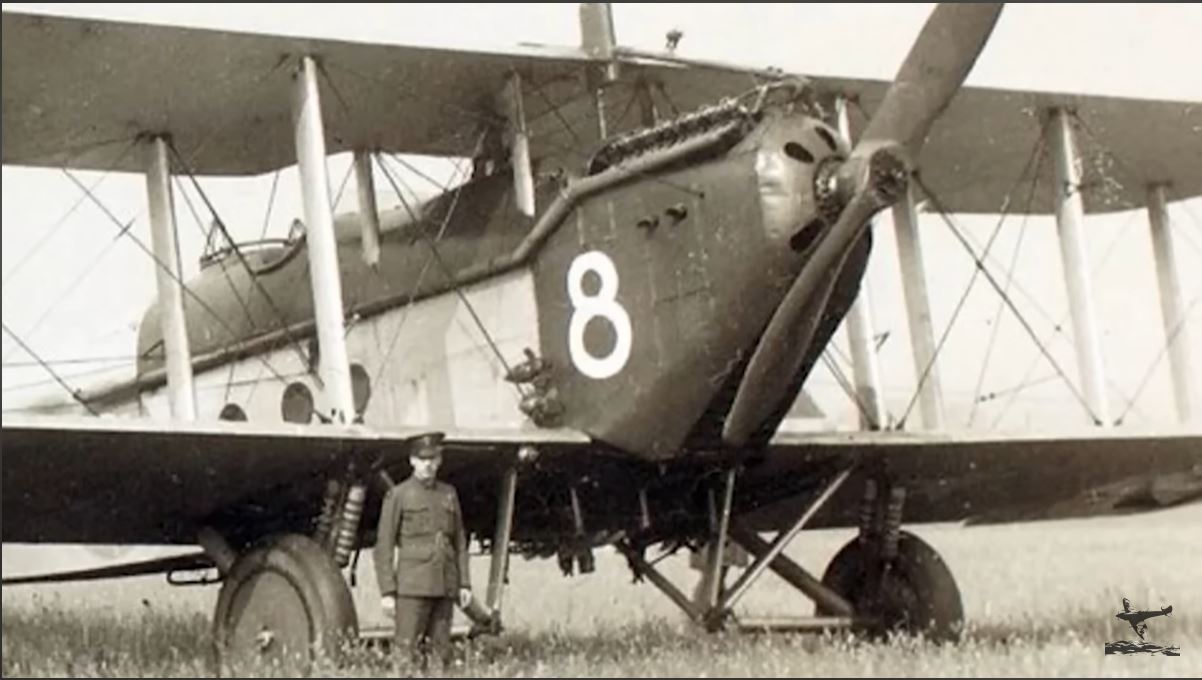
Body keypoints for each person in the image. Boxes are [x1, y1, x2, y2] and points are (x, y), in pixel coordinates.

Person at [374, 433, 473, 670]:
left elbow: (459, 541)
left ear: (439, 460)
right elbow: (383, 546)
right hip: (412, 588)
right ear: (412, 461)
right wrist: (387, 591)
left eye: (434, 458)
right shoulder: (399, 495)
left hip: (444, 584)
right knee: (406, 654)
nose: (428, 464)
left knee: (440, 655)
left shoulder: (448, 494)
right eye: (423, 459)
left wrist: (464, 584)